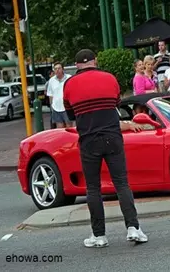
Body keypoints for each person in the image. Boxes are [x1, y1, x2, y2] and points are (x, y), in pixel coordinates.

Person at [63, 49, 148, 248]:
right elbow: (116, 104)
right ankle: (133, 228)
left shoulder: (69, 84)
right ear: (95, 61)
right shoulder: (110, 78)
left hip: (89, 140)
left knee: (93, 188)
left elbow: (70, 114)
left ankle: (99, 235)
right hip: (112, 137)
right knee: (121, 183)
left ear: (77, 66)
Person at [46, 62, 72, 128]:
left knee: (69, 128)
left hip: (67, 108)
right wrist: (52, 107)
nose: (57, 70)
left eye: (59, 68)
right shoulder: (51, 80)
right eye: (55, 69)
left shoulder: (69, 78)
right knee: (60, 129)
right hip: (56, 108)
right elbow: (50, 95)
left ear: (63, 69)